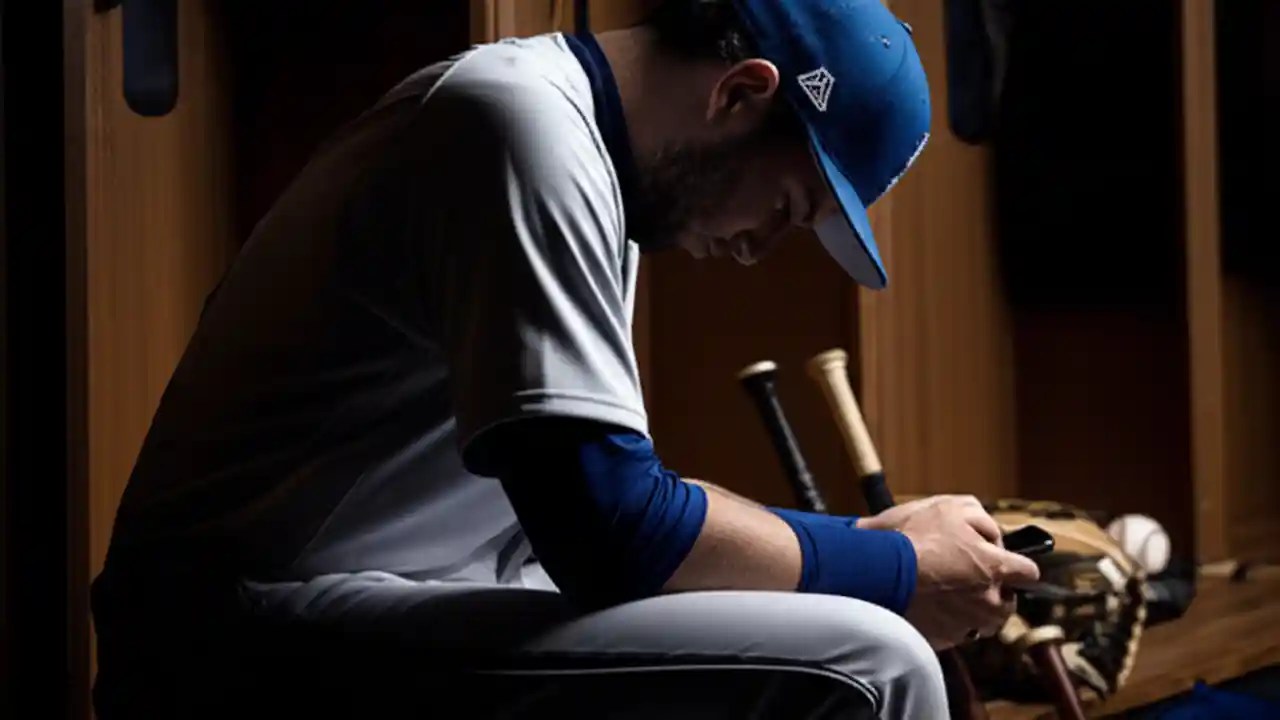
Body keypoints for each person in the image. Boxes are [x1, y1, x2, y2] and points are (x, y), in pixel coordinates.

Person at [90, 0, 1040, 718]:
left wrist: (876, 553)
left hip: (392, 594)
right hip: (238, 633)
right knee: (876, 658)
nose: (756, 247)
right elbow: (615, 530)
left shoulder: (576, 150)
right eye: (786, 209)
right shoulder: (519, 129)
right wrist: (893, 570)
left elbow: (602, 521)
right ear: (741, 91)